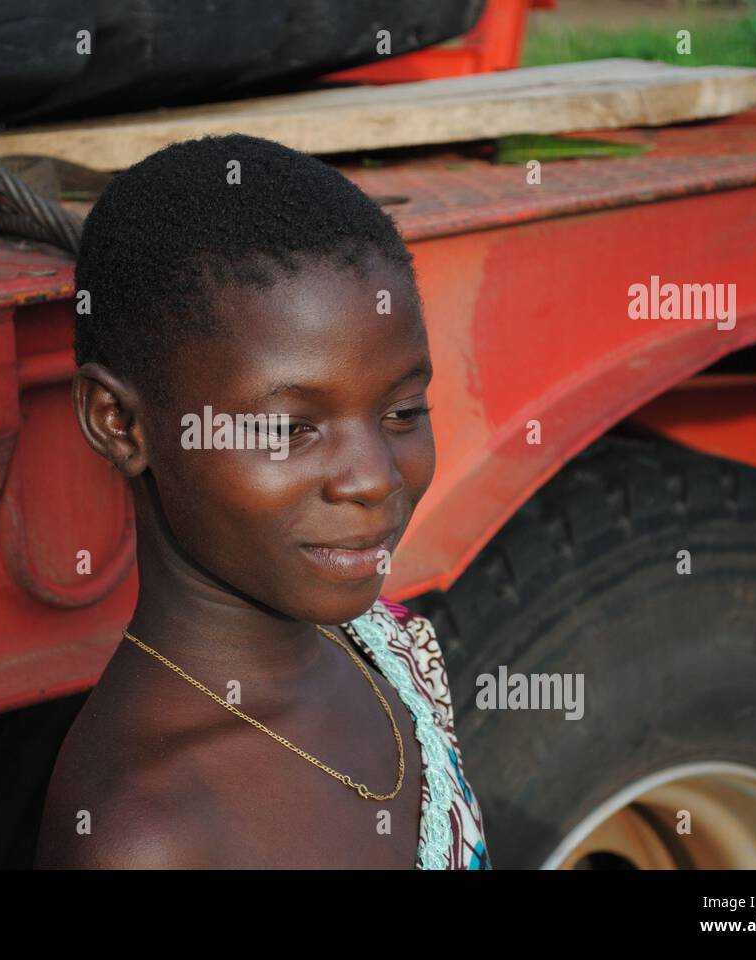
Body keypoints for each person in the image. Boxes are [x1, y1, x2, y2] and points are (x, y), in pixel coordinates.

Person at [34, 133, 489, 869]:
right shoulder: (146, 839)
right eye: (288, 430)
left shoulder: (392, 651)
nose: (372, 477)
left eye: (402, 412)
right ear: (119, 423)